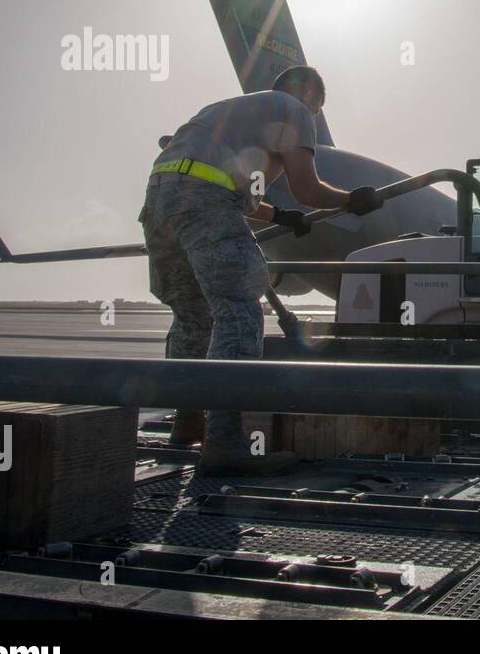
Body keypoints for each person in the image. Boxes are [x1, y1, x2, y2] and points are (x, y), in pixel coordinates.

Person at [140, 65, 382, 475]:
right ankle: (224, 446)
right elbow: (308, 187)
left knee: (193, 317)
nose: (315, 119)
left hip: (159, 199)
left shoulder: (227, 111)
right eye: (318, 109)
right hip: (203, 201)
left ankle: (187, 422)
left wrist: (282, 216)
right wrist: (350, 201)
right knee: (238, 313)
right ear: (309, 93)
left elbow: (238, 194)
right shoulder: (294, 107)